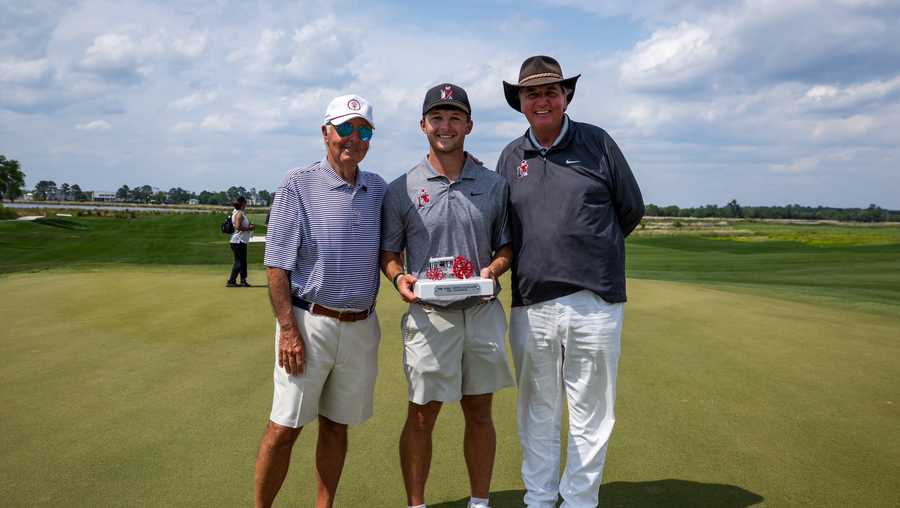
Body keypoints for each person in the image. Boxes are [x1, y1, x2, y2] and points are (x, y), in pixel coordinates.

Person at [496, 56, 645, 508]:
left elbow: (630, 209)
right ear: (520, 102)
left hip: (593, 300)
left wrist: (588, 250)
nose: (542, 100)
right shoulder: (510, 156)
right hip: (531, 302)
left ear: (566, 97)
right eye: (532, 93)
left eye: (551, 91)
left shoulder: (597, 143)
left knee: (591, 412)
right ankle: (540, 498)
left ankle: (580, 500)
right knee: (536, 411)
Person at [380, 83, 515, 508]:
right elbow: (389, 253)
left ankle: (480, 502)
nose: (446, 125)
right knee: (422, 413)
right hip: (429, 314)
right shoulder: (401, 188)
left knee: (479, 412)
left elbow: (506, 247)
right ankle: (416, 504)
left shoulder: (493, 184)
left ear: (469, 125)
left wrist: (492, 271)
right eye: (437, 117)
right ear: (423, 125)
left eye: (455, 117)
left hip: (480, 310)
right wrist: (399, 278)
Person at [254, 94, 387, 508]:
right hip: (308, 323)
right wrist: (288, 330)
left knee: (336, 426)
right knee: (285, 426)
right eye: (345, 128)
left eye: (363, 130)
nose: (354, 138)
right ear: (326, 132)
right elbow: (276, 265)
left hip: (361, 325)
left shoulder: (379, 188)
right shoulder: (298, 183)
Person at [227, 195, 255, 287]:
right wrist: (249, 228)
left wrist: (248, 227)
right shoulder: (239, 213)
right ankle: (231, 281)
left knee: (242, 262)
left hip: (240, 241)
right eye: (245, 202)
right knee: (239, 262)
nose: (246, 204)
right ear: (243, 203)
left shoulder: (238, 212)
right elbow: (238, 227)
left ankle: (243, 280)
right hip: (238, 241)